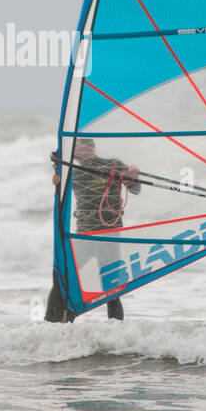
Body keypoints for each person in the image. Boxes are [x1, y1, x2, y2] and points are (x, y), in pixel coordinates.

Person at [45, 137, 141, 322]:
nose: (73, 153)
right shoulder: (72, 171)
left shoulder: (113, 165)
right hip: (84, 234)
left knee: (111, 288)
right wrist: (57, 181)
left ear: (88, 147)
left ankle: (115, 330)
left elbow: (134, 189)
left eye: (77, 148)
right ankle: (53, 321)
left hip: (109, 235)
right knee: (63, 278)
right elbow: (61, 194)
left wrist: (134, 175)